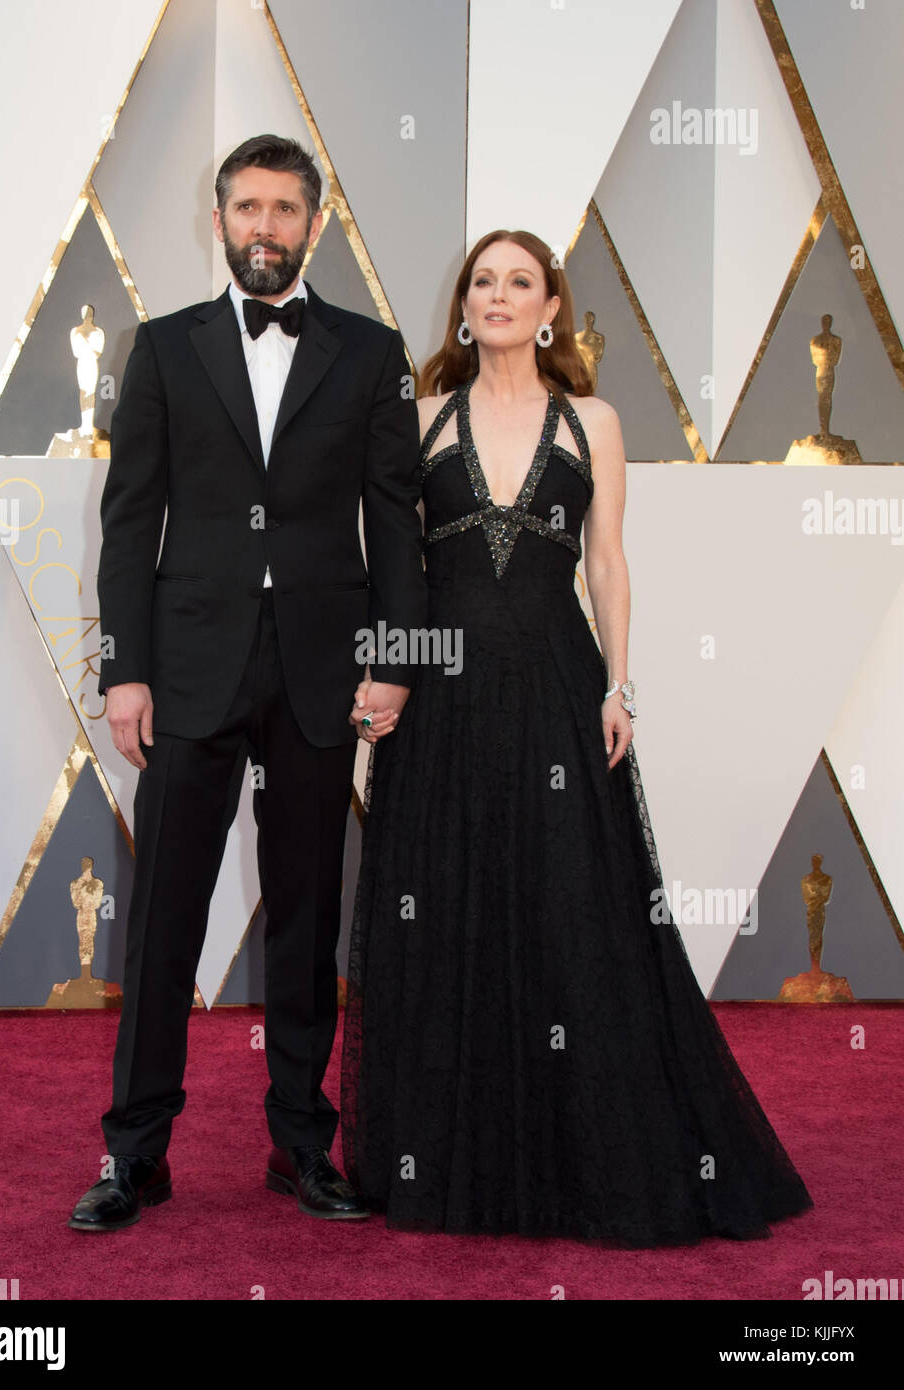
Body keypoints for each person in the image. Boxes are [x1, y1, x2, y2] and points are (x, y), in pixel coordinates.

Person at [340, 229, 814, 1244]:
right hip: (445, 690)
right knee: (449, 906)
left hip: (559, 682)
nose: (500, 297)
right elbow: (389, 566)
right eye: (483, 282)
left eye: (521, 282)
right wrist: (390, 676)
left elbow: (607, 565)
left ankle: (584, 1152)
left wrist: (620, 684)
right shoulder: (418, 419)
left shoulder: (590, 419)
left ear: (551, 305)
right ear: (462, 307)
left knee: (571, 907)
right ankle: (447, 1153)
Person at [68, 134, 427, 1231]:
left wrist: (397, 661)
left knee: (307, 916)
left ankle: (303, 1147)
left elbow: (397, 525)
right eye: (246, 207)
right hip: (186, 667)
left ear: (315, 224)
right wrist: (126, 673)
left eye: (285, 208)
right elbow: (129, 522)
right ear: (217, 218)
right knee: (164, 915)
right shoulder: (164, 347)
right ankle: (135, 1154)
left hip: (325, 669)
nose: (265, 226)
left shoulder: (371, 352)